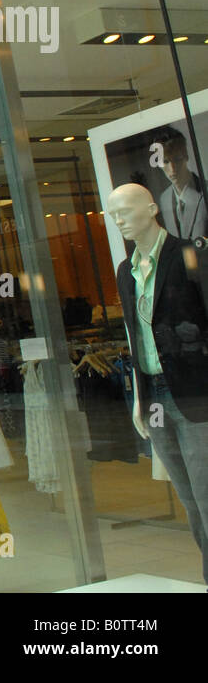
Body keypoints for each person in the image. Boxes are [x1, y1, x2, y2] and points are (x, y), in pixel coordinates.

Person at [110, 181, 208, 583]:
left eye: (125, 212)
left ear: (152, 209)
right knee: (189, 499)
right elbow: (136, 336)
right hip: (153, 395)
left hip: (196, 393)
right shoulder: (126, 271)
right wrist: (138, 394)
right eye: (113, 215)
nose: (119, 221)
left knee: (206, 494)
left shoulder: (189, 255)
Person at [156, 130, 208, 243]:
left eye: (177, 159)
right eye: (165, 161)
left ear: (186, 157)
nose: (172, 169)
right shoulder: (164, 199)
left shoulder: (205, 191)